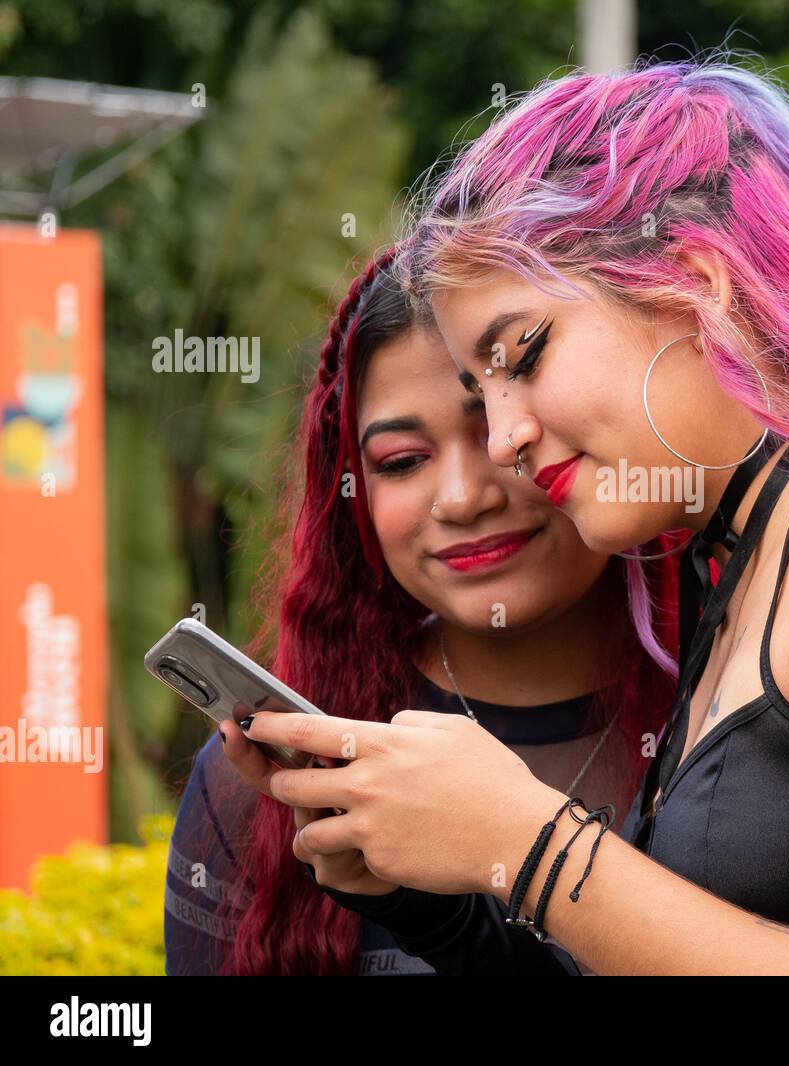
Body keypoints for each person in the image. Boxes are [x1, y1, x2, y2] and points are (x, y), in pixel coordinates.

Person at [242, 56, 789, 975]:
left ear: (699, 283)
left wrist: (525, 837)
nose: (506, 437)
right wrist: (434, 904)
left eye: (524, 354)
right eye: (483, 387)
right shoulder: (750, 572)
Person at [164, 248, 679, 976]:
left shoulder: (739, 721)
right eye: (403, 460)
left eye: (501, 431)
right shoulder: (283, 775)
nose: (464, 496)